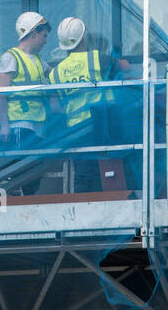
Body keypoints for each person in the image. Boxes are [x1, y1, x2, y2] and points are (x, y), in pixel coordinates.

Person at [48, 17, 133, 191]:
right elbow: (126, 67)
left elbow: (54, 107)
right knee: (112, 167)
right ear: (83, 38)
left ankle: (81, 206)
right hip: (104, 124)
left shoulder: (55, 73)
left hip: (77, 129)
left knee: (84, 173)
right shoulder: (97, 58)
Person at [0, 11, 51, 145]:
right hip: (20, 124)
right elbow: (1, 94)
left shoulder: (38, 58)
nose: (45, 41)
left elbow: (55, 74)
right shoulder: (10, 57)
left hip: (39, 124)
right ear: (33, 34)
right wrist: (4, 125)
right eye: (44, 36)